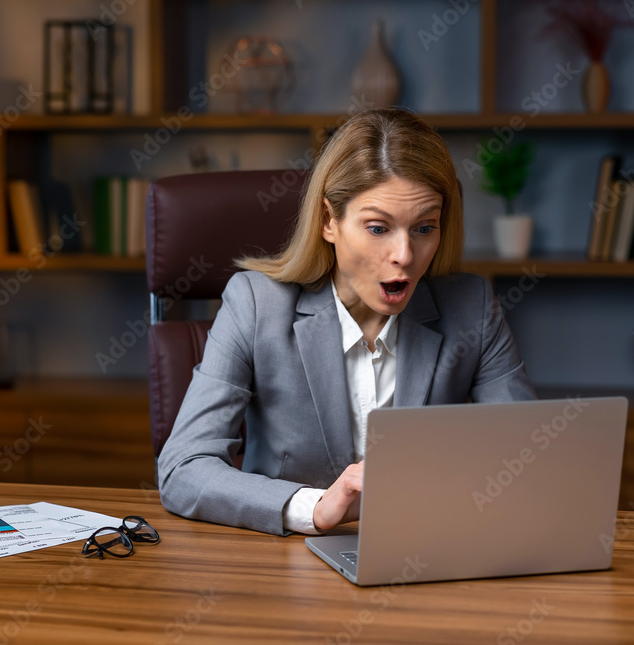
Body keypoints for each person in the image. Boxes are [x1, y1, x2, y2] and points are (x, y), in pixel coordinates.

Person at [156, 108, 535, 536]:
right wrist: (313, 508)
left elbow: (529, 460)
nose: (405, 256)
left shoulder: (471, 307)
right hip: (284, 557)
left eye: (424, 228)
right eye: (378, 228)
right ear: (328, 221)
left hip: (422, 549)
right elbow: (183, 468)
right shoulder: (256, 303)